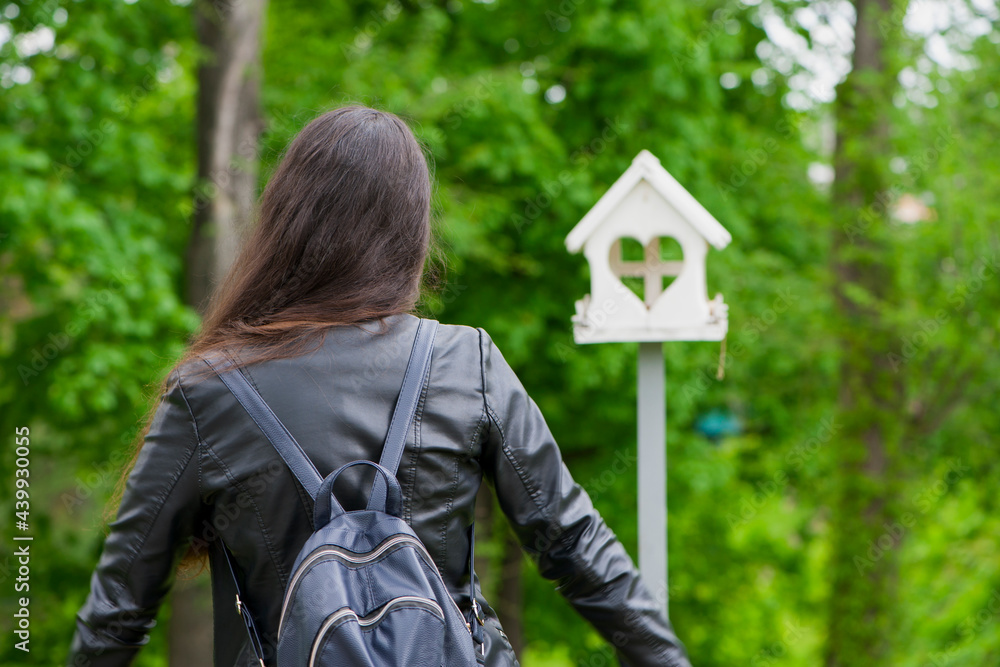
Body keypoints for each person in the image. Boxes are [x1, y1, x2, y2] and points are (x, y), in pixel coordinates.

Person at [67, 105, 692, 667]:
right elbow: (576, 546)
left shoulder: (207, 390)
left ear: (285, 224)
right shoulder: (463, 361)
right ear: (409, 234)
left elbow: (118, 609)